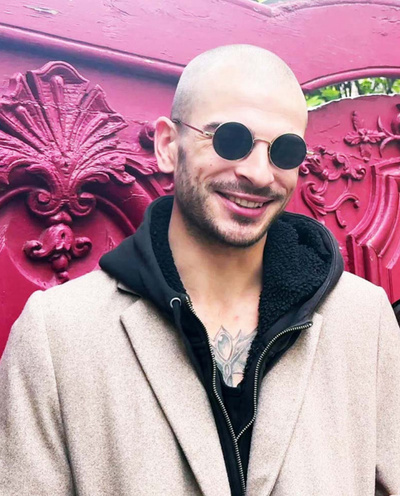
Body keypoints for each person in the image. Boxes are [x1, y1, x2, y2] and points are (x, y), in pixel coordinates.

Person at [0, 44, 399, 496]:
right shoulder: (57, 333)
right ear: (169, 146)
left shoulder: (365, 321)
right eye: (231, 139)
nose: (259, 174)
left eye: (285, 151)